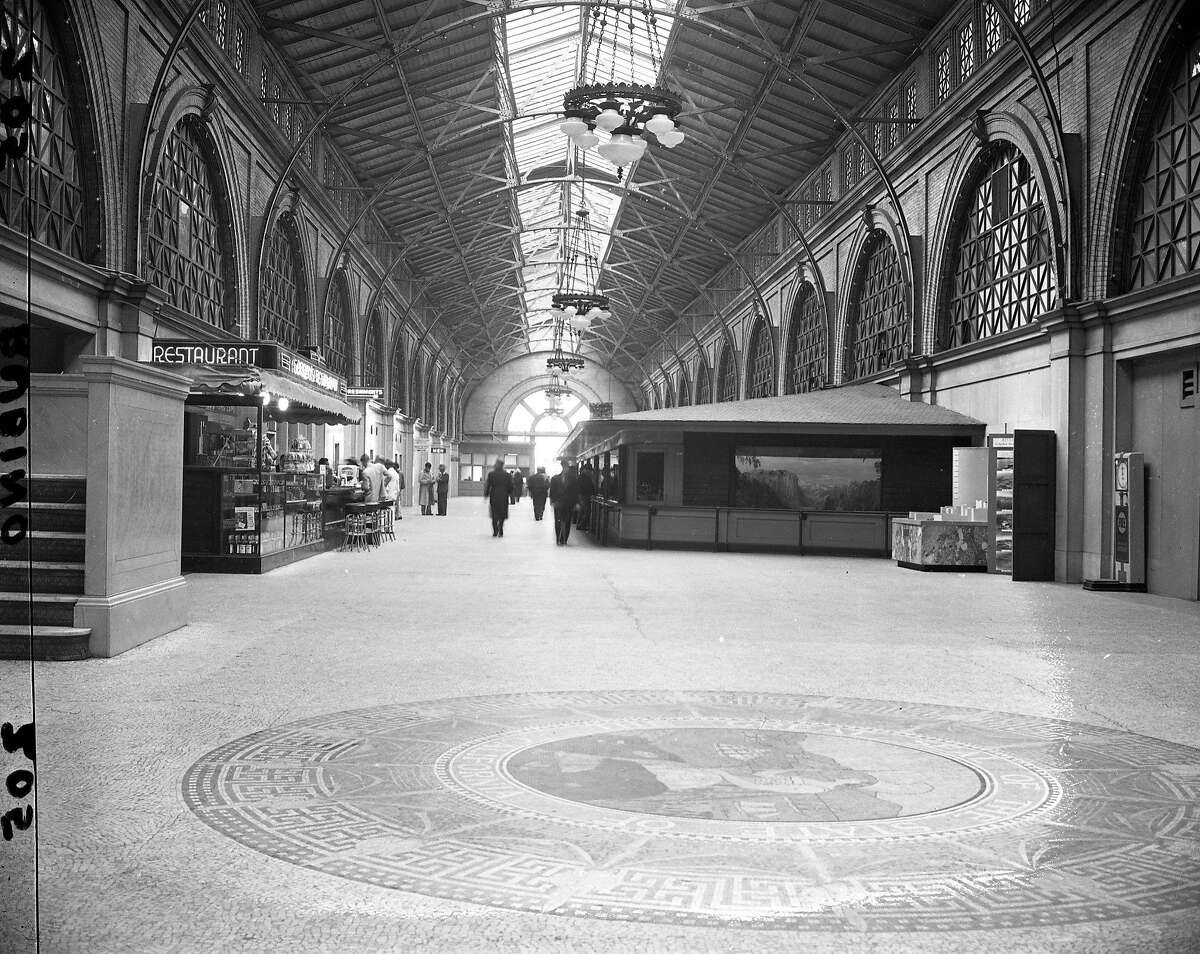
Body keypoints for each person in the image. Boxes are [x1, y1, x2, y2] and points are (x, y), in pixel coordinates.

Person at [548, 459, 579, 546]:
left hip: (569, 503)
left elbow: (576, 491)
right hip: (558, 502)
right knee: (558, 521)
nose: (565, 469)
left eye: (567, 467)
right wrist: (552, 501)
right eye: (564, 467)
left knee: (567, 521)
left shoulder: (573, 479)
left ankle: (564, 539)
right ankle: (558, 538)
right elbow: (552, 490)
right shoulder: (555, 478)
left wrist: (576, 502)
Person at [483, 459, 513, 537]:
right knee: (502, 512)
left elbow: (488, 485)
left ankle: (495, 530)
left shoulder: (491, 474)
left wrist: (486, 494)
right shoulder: (507, 475)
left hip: (494, 495)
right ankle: (501, 528)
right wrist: (509, 493)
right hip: (504, 495)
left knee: (494, 513)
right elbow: (510, 486)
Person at [576, 462, 596, 532]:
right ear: (586, 470)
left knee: (583, 511)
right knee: (585, 511)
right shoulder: (583, 477)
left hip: (583, 496)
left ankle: (581, 525)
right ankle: (581, 525)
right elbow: (587, 487)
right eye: (590, 470)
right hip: (583, 496)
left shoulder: (583, 476)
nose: (590, 472)